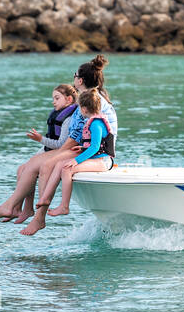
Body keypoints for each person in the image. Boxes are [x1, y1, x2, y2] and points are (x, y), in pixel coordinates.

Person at [0, 56, 117, 222]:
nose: (73, 77)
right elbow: (76, 134)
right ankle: (19, 208)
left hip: (95, 154)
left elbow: (78, 137)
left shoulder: (92, 102)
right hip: (80, 149)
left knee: (45, 165)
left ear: (80, 80)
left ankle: (37, 217)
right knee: (29, 164)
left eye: (75, 75)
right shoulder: (85, 100)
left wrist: (57, 154)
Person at [21, 88, 115, 236]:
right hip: (93, 157)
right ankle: (45, 198)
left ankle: (64, 206)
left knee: (67, 168)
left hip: (102, 161)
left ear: (83, 109)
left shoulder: (96, 123)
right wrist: (82, 147)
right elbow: (91, 145)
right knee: (60, 164)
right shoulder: (91, 121)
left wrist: (76, 161)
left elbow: (96, 147)